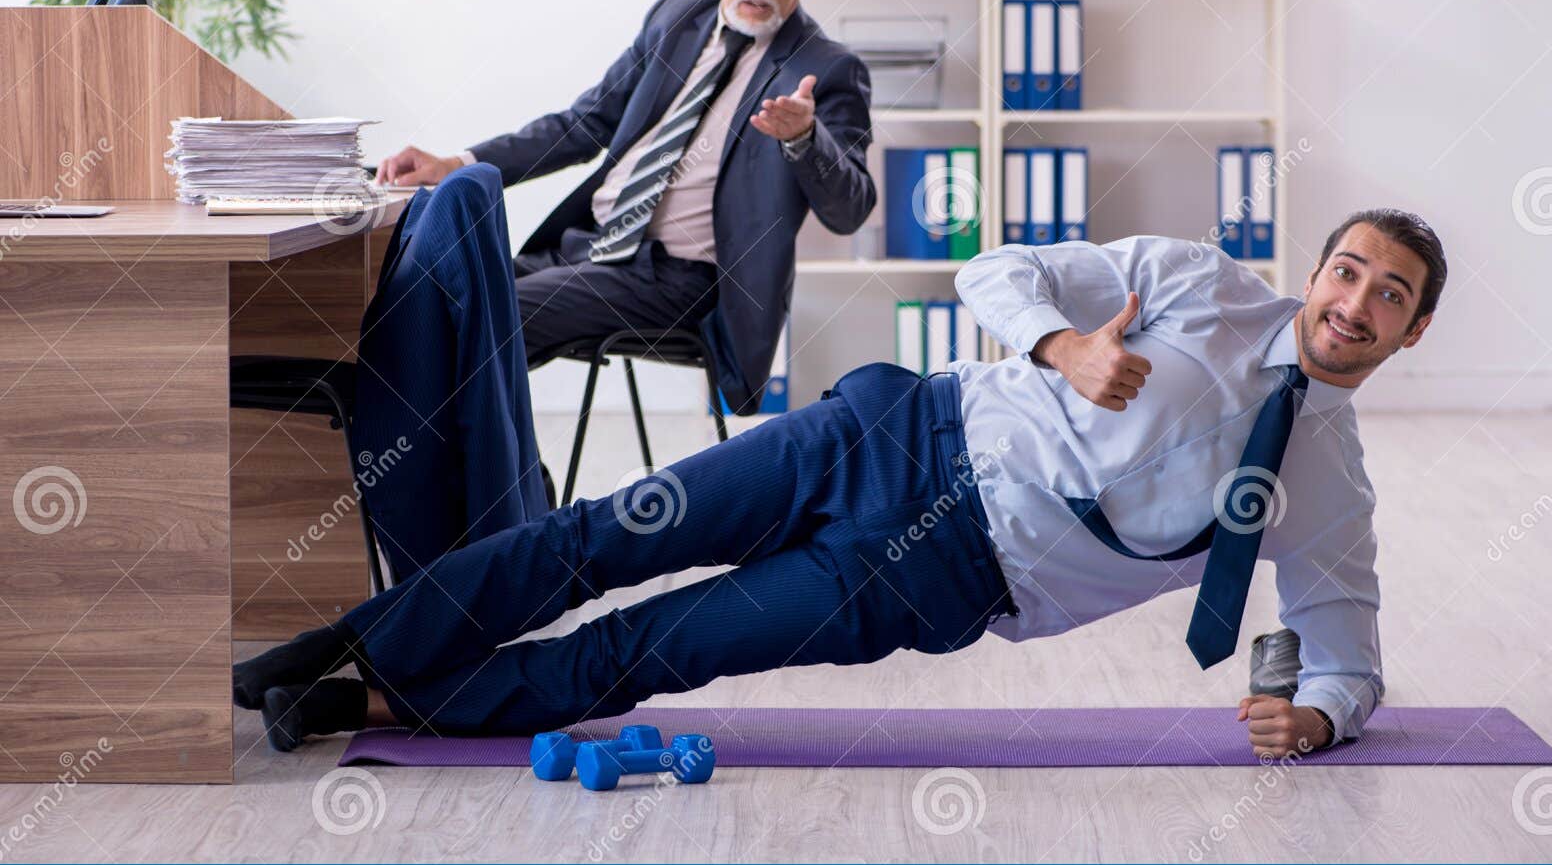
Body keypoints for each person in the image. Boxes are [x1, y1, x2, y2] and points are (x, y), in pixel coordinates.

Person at [234, 209, 1445, 761]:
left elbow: (1348, 654)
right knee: (602, 536)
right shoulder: (1196, 280)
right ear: (1316, 266)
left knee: (656, 648)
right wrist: (1060, 344)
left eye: (1387, 295)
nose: (1351, 303)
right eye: (1346, 270)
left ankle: (382, 708)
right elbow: (997, 266)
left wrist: (1322, 715)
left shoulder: (1330, 489)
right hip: (887, 432)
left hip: (926, 575)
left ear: (1413, 331)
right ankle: (352, 642)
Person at [374, 0, 873, 415]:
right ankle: (498, 480)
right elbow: (584, 124)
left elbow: (850, 210)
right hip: (588, 249)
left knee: (494, 315)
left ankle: (490, 488)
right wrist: (457, 164)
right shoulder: (677, 19)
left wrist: (803, 136)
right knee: (424, 293)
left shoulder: (825, 70)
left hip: (681, 280)